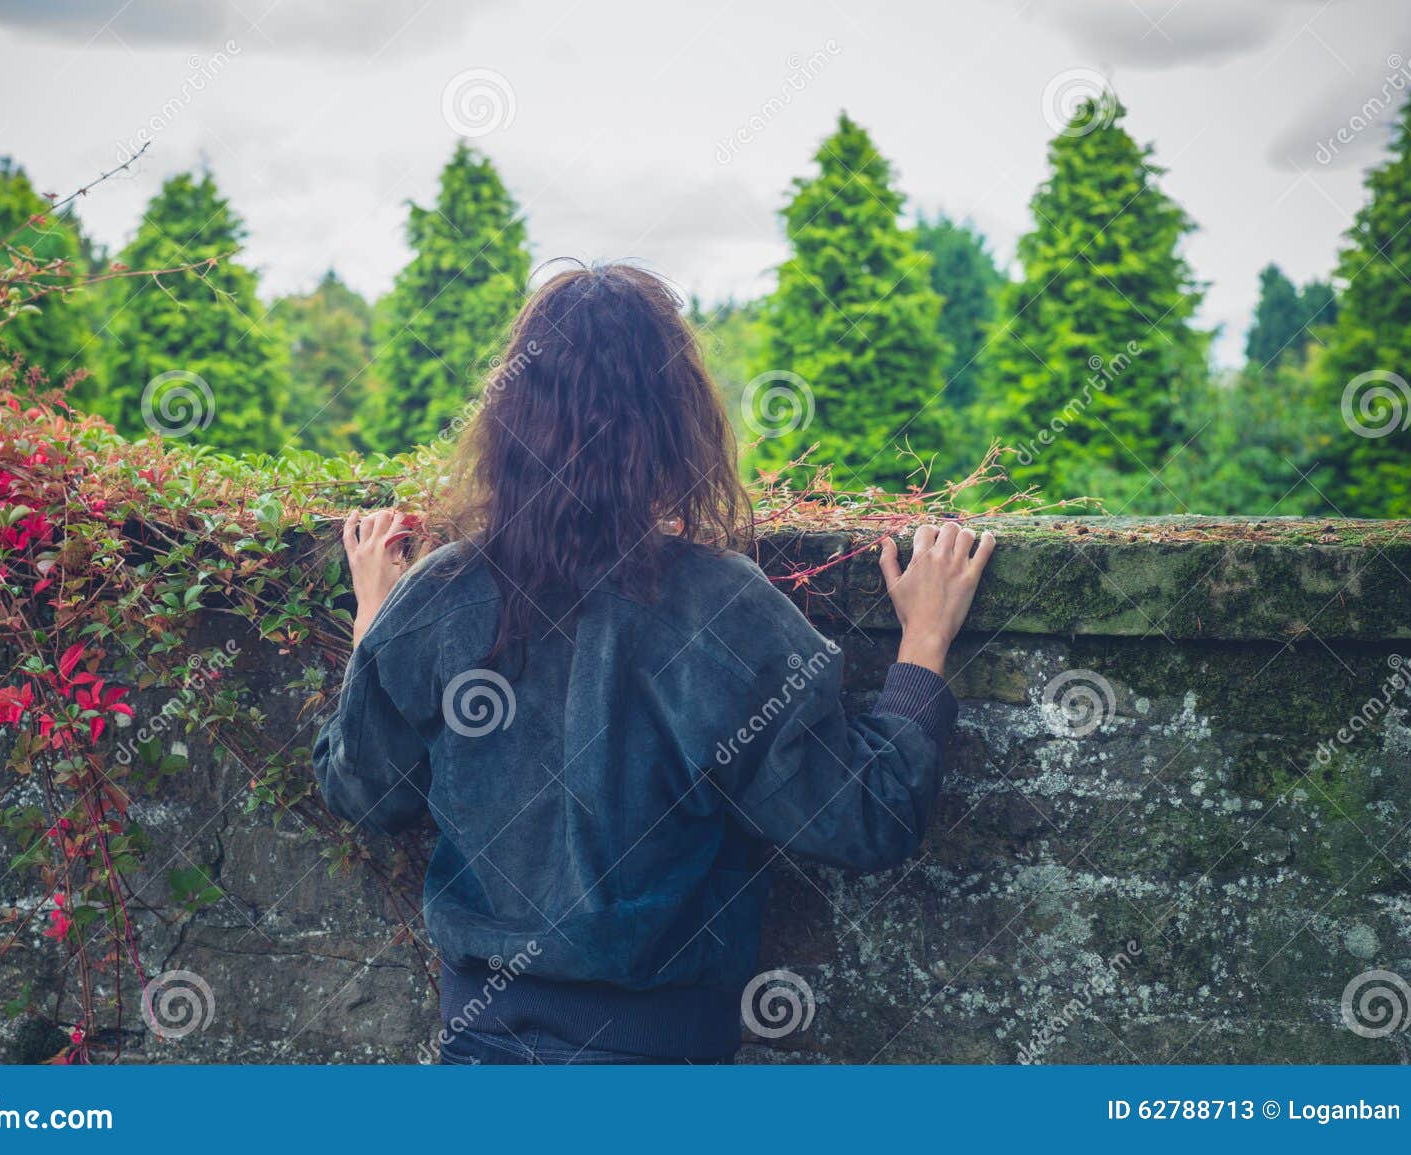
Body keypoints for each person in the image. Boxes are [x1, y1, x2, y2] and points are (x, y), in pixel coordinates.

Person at [312, 263, 993, 1064]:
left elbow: (360, 789)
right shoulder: (722, 609)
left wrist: (375, 621)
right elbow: (868, 814)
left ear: (510, 423)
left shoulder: (441, 594)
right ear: (676, 425)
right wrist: (924, 640)